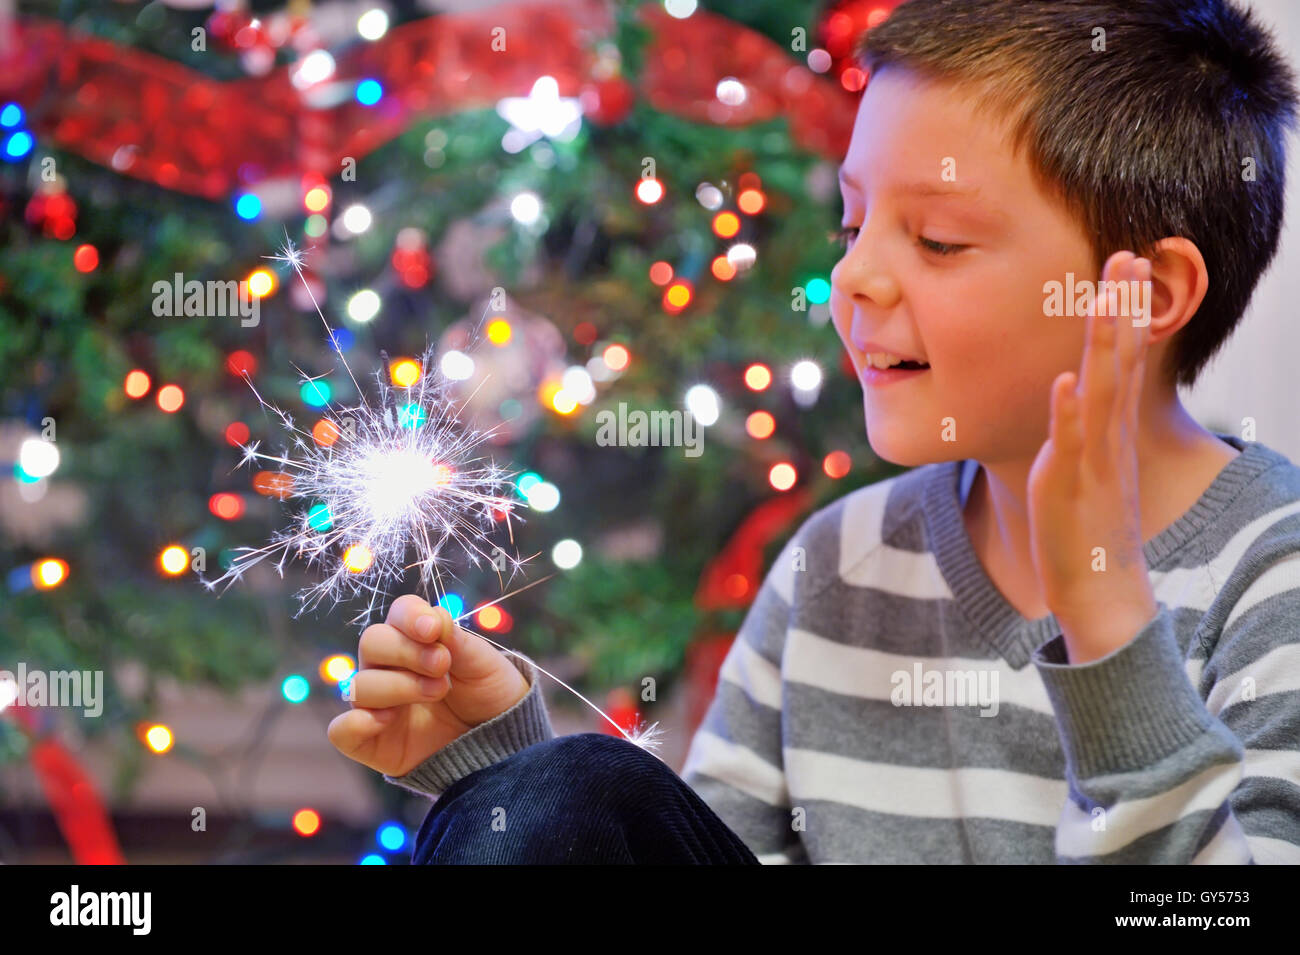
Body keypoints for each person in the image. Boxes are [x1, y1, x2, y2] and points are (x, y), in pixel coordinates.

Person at [329, 0, 1300, 864]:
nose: (853, 279)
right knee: (576, 786)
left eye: (937, 240)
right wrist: (512, 783)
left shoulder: (1271, 571)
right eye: (851, 226)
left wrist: (1109, 631)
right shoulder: (835, 565)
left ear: (1149, 296)